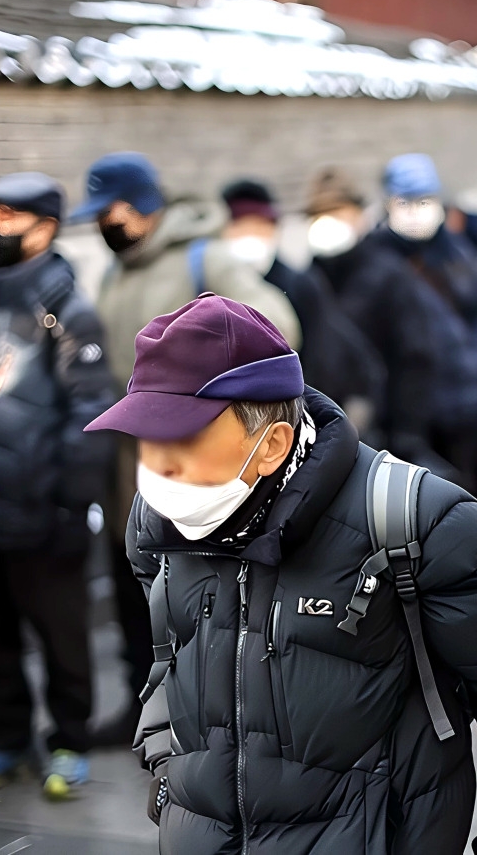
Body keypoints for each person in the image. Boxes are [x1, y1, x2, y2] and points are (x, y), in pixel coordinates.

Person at [84, 294, 477, 855]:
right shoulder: (160, 525)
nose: (158, 468)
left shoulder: (418, 518)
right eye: (147, 439)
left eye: (181, 440)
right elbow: (170, 657)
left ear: (270, 444)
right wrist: (167, 765)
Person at [69, 152, 299, 747]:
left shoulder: (206, 258)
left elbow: (279, 329)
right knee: (134, 586)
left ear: (144, 207)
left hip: (195, 458)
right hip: (130, 460)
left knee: (197, 588)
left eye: (113, 212)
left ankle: (217, 710)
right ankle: (143, 704)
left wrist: (199, 396)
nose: (105, 225)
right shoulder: (116, 271)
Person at [0, 173, 114, 799]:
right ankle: (8, 737)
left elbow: (91, 414)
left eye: (10, 218)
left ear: (46, 228)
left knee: (62, 635)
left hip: (46, 510)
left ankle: (69, 739)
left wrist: (72, 502)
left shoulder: (68, 308)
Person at [363, 153, 477, 490]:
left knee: (467, 493)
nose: (415, 211)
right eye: (404, 202)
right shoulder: (374, 259)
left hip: (466, 401)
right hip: (411, 415)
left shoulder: (456, 251)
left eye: (424, 200)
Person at [218, 178, 384, 431]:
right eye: (240, 228)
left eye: (259, 227)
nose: (249, 238)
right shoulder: (211, 285)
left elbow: (323, 356)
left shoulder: (298, 283)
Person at [305, 167, 438, 460]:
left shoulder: (389, 273)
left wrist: (407, 432)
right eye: (319, 216)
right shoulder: (307, 279)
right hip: (324, 429)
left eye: (339, 213)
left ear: (359, 216)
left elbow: (415, 355)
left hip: (382, 429)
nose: (329, 224)